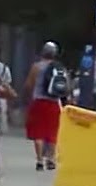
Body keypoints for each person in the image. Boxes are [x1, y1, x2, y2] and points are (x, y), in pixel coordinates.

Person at [22, 42, 65, 171]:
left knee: (38, 132)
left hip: (39, 102)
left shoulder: (36, 67)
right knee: (52, 131)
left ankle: (40, 160)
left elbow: (29, 85)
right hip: (54, 102)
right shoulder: (59, 67)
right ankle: (51, 159)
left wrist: (27, 97)